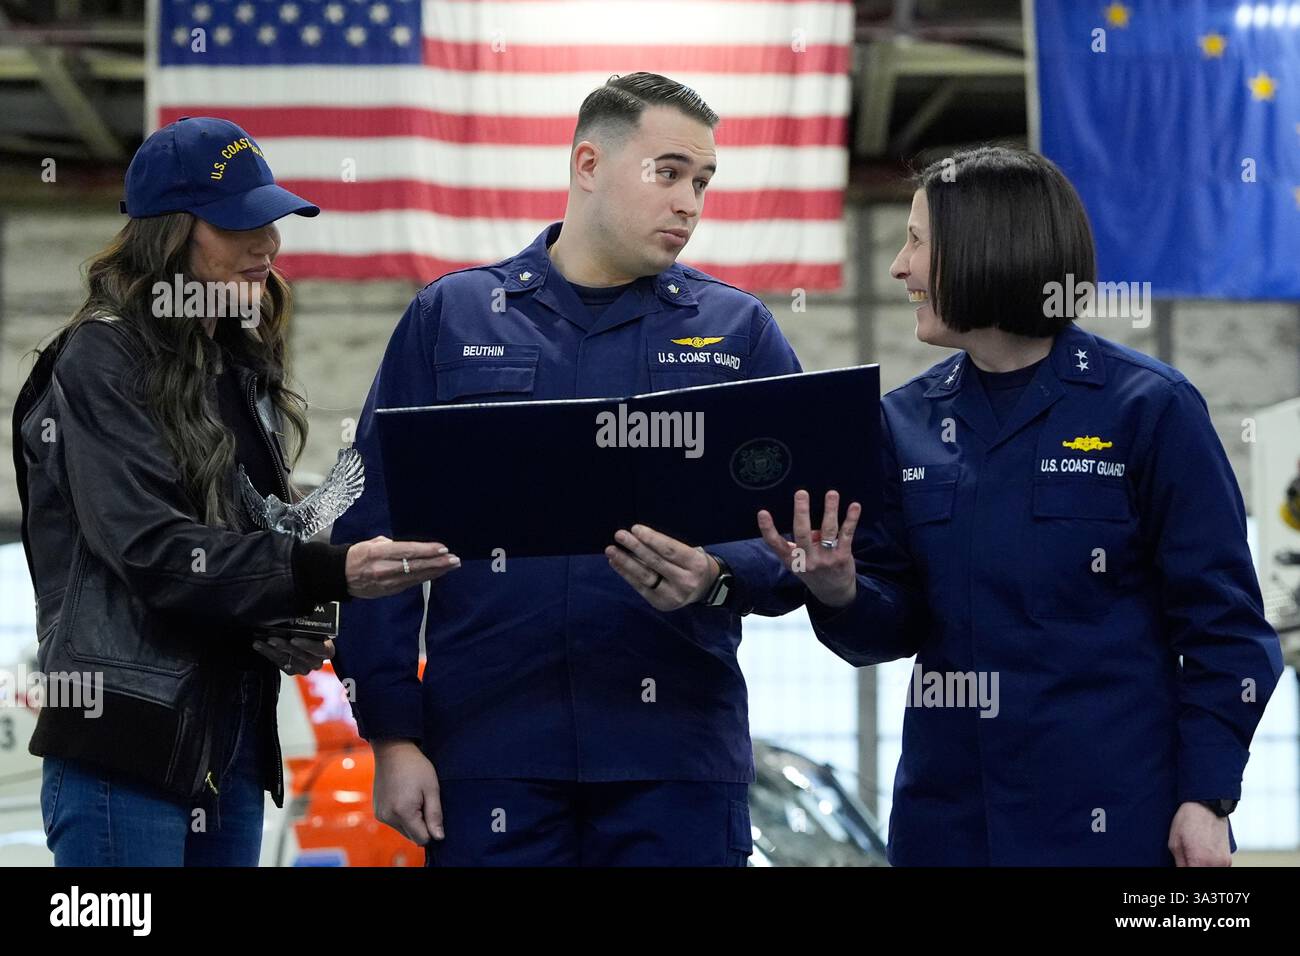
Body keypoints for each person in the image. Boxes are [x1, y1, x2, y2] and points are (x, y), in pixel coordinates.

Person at [757, 146, 1285, 866]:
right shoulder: (901, 423)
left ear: (984, 250)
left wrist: (1208, 796)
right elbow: (891, 625)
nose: (898, 267)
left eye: (915, 242)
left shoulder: (1150, 411)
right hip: (950, 826)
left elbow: (1229, 634)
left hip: (1120, 824)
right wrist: (840, 588)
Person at [332, 73, 803, 866]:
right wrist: (391, 734)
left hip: (675, 757)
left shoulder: (738, 332)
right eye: (669, 172)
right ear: (588, 163)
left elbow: (807, 526)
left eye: (704, 181)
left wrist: (721, 574)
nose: (691, 201)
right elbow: (376, 531)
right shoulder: (451, 319)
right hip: (489, 754)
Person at [13, 116, 456, 867]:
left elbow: (231, 551)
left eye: (272, 220)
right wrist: (324, 571)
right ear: (169, 235)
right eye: (239, 224)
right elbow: (153, 552)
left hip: (230, 749)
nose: (269, 244)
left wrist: (278, 618)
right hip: (125, 751)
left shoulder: (235, 365)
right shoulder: (100, 357)